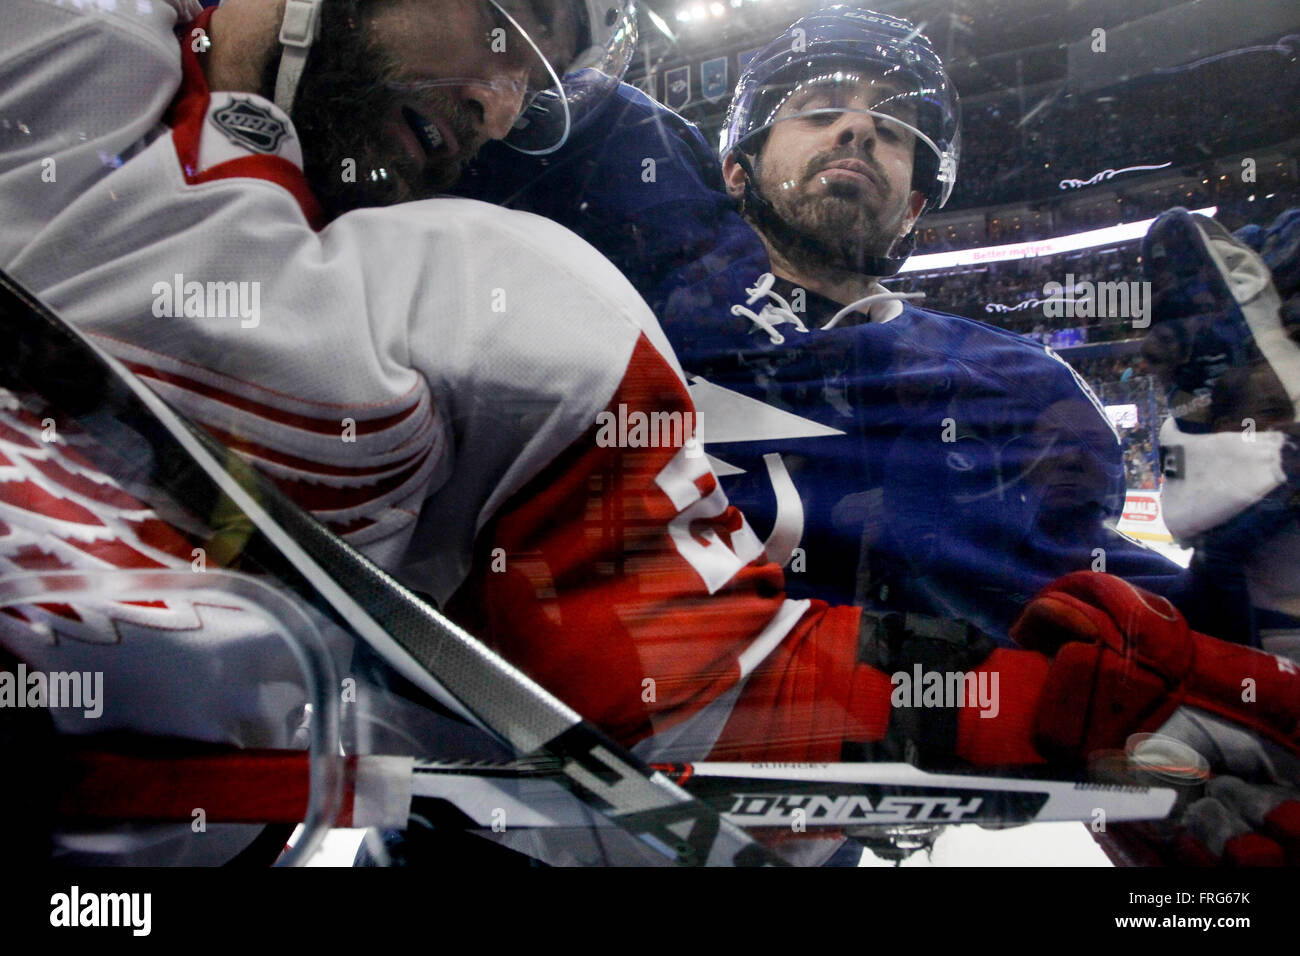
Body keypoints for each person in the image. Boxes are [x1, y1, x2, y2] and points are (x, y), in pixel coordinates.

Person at [1, 0, 1297, 866]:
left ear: (927, 200)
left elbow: (714, 669)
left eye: (899, 132)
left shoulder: (510, 293)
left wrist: (1118, 706)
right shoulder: (72, 43)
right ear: (728, 162)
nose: (503, 105)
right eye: (504, 23)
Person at [459, 5, 1199, 644]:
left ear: (912, 209)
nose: (856, 130)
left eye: (893, 129)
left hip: (834, 753)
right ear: (736, 168)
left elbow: (1150, 610)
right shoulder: (639, 214)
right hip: (530, 743)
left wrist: (1262, 540)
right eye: (819, 109)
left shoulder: (1000, 390)